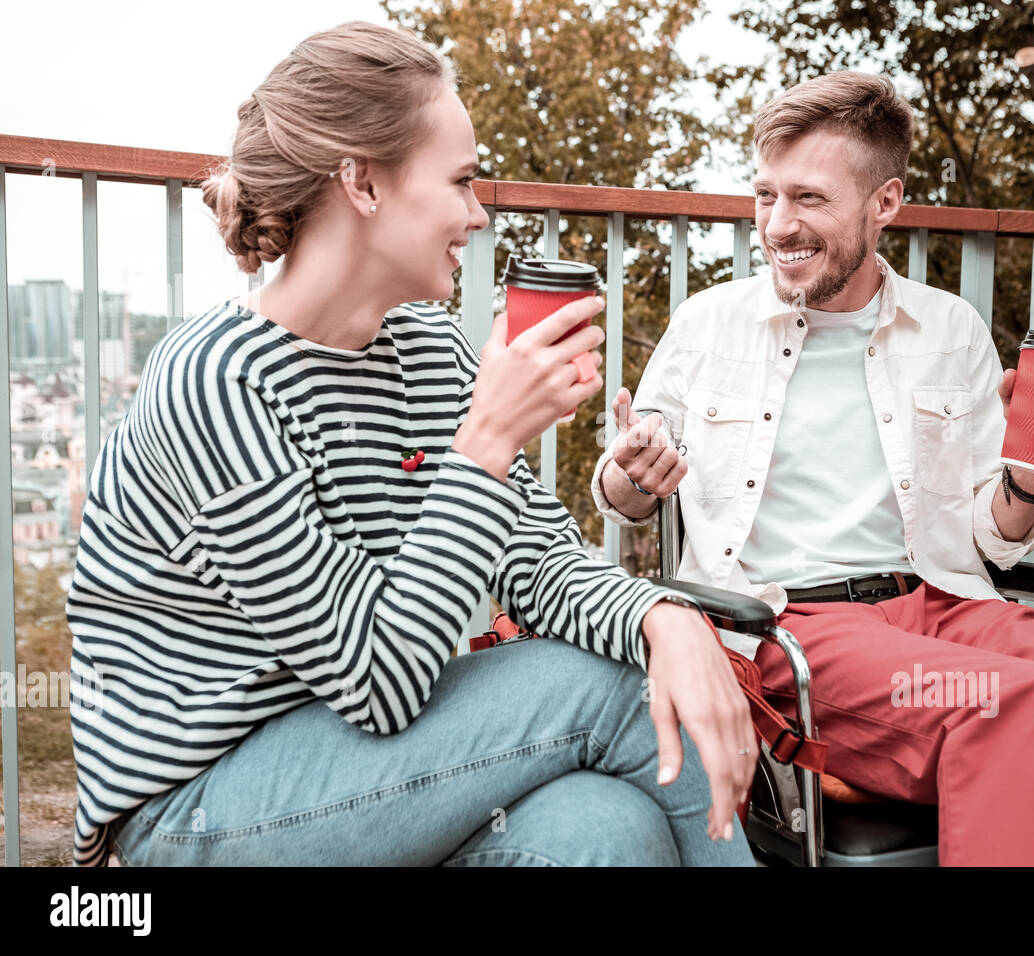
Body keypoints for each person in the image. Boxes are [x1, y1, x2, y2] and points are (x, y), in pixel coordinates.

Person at [64, 20, 757, 868]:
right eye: (461, 181)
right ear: (361, 182)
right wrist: (487, 442)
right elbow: (379, 679)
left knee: (606, 827)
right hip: (199, 807)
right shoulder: (218, 381)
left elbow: (539, 564)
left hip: (382, 776)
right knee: (615, 689)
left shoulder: (431, 350)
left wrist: (663, 613)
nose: (477, 212)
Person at [591, 71, 1034, 866]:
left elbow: (994, 536)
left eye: (809, 199)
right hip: (790, 634)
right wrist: (634, 471)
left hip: (946, 605)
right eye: (765, 195)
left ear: (885, 203)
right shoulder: (709, 326)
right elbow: (622, 496)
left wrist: (1032, 481)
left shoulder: (949, 327)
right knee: (1019, 705)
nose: (778, 225)